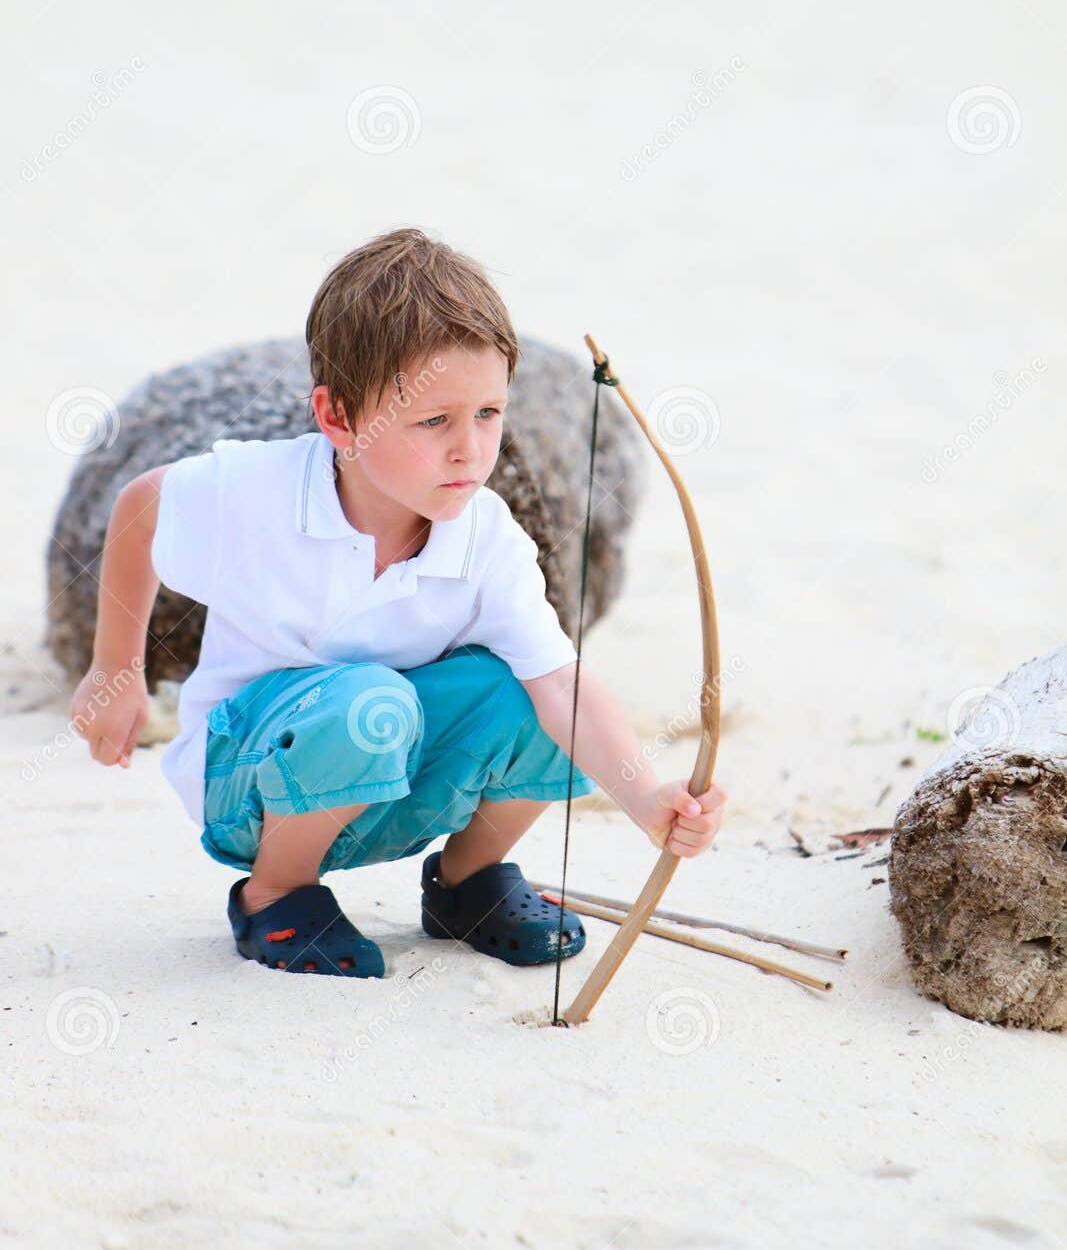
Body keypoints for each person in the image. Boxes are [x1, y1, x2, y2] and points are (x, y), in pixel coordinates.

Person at [70, 227, 727, 976]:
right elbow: (141, 503)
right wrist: (113, 670)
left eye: (488, 413)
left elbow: (559, 684)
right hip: (247, 784)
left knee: (528, 690)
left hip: (394, 780)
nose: (469, 450)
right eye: (432, 421)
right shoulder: (255, 491)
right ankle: (275, 895)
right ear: (339, 417)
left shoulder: (486, 537)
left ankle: (465, 881)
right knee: (369, 701)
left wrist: (647, 799)